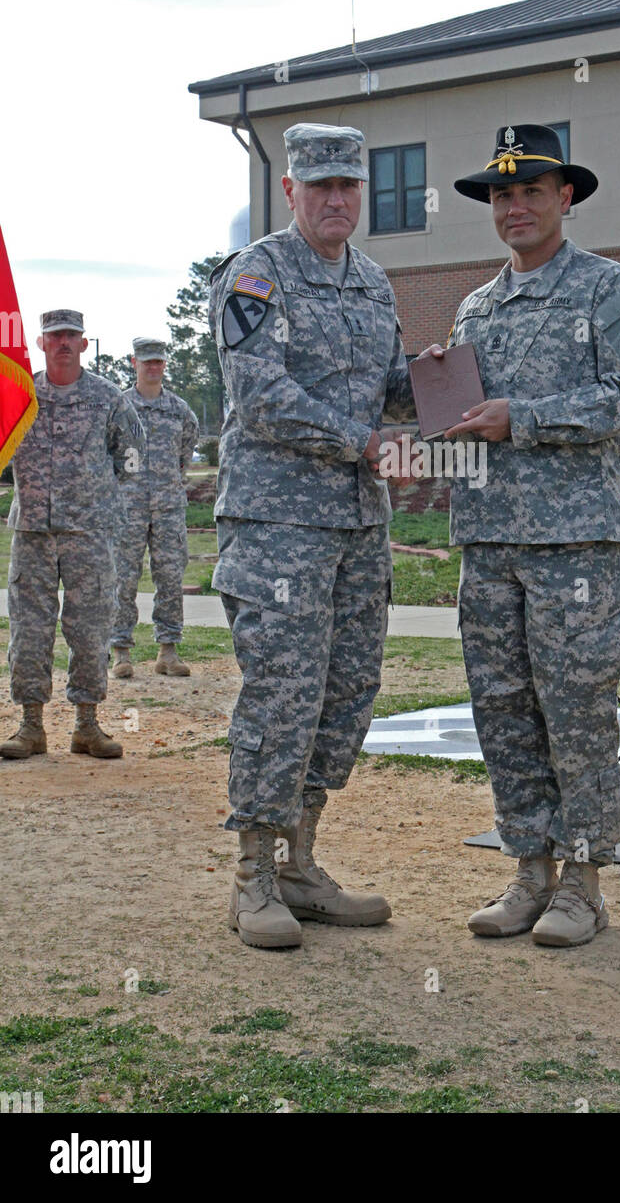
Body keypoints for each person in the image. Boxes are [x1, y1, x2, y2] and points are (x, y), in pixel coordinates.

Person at [420, 123, 620, 947]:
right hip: (488, 541)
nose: (515, 206)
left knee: (577, 711)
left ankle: (586, 884)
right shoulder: (476, 306)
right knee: (503, 710)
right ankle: (530, 868)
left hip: (576, 549)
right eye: (501, 194)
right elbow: (469, 416)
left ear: (566, 196)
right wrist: (442, 388)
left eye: (531, 190)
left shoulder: (611, 289)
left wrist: (520, 418)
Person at [208, 122, 416, 949]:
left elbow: (390, 388)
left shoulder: (371, 281)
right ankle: (252, 874)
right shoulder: (256, 275)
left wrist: (439, 383)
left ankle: (301, 862)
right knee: (283, 692)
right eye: (319, 185)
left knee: (345, 694)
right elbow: (261, 396)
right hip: (277, 524)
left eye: (349, 186)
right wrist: (362, 439)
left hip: (360, 525)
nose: (336, 199)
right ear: (289, 190)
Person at [1, 310, 144, 761]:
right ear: (40, 344)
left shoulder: (108, 398)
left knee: (89, 629)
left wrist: (96, 498)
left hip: (89, 533)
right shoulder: (19, 397)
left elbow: (133, 457)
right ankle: (30, 727)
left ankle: (87, 725)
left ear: (85, 344)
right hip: (33, 534)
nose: (63, 342)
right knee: (29, 630)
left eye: (72, 336)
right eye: (54, 335)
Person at [109, 338, 199, 679]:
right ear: (134, 362)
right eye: (146, 361)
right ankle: (120, 652)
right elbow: (106, 452)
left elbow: (186, 450)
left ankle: (168, 651)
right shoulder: (118, 407)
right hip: (126, 508)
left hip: (168, 508)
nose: (153, 367)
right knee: (122, 579)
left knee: (171, 577)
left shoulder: (179, 410)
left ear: (165, 364)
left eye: (158, 361)